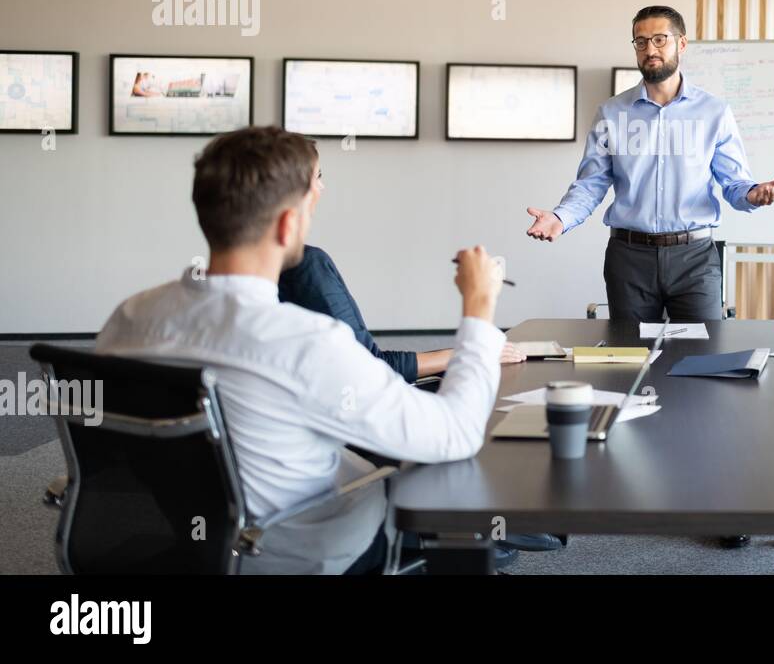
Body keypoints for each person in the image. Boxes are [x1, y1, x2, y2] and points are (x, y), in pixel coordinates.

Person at [95, 125, 507, 573]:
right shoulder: (306, 343)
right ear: (289, 223)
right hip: (303, 553)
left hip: (184, 539)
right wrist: (479, 305)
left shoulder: (129, 317)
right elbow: (457, 433)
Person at [525, 5, 774, 322]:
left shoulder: (714, 112)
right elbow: (591, 184)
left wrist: (754, 193)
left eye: (660, 39)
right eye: (641, 41)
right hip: (629, 258)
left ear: (682, 44)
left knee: (700, 360)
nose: (650, 49)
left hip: (695, 259)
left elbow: (734, 185)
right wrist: (561, 217)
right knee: (630, 360)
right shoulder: (611, 113)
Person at [278, 240, 524, 383]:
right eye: (317, 177)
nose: (322, 188)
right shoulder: (307, 264)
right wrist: (475, 347)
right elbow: (369, 368)